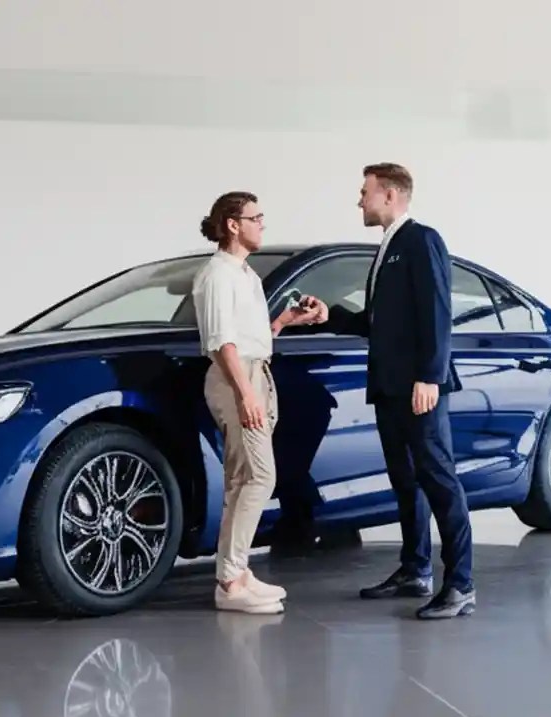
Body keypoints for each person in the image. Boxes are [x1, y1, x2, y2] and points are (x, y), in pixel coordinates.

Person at [322, 163, 475, 620]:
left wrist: (430, 375)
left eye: (364, 192)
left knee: (439, 480)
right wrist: (326, 316)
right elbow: (378, 324)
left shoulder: (421, 240)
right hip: (389, 389)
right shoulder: (387, 248)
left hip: (418, 388)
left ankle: (461, 584)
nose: (359, 200)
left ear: (389, 195)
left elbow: (437, 312)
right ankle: (415, 569)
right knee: (407, 483)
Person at [192, 190, 328, 614]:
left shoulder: (245, 275)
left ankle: (237, 572)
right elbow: (222, 342)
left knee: (241, 480)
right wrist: (246, 393)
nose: (262, 224)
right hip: (237, 380)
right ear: (233, 225)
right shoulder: (217, 276)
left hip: (254, 372)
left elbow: (250, 336)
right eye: (256, 217)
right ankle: (230, 582)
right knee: (259, 478)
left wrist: (286, 321)